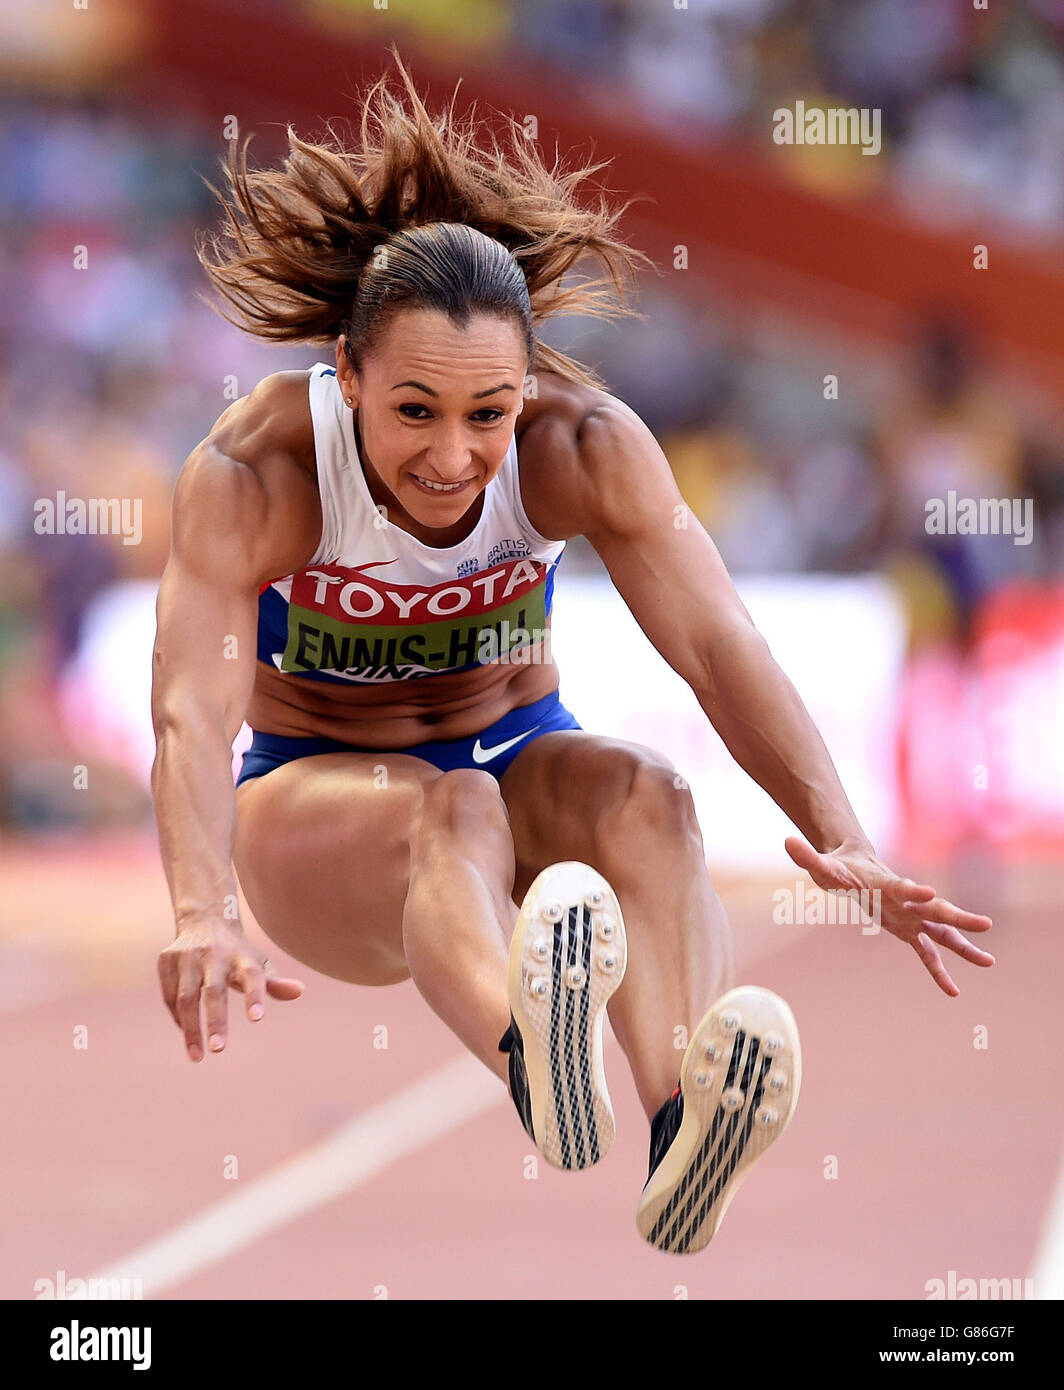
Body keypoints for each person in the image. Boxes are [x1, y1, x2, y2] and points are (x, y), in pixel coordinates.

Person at [150, 51, 994, 1256]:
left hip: (515, 752)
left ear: (527, 384)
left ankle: (674, 1132)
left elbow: (718, 643)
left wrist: (843, 828)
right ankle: (536, 1063)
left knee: (647, 794)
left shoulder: (581, 445)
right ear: (345, 378)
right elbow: (188, 708)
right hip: (315, 809)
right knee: (453, 812)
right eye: (413, 413)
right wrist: (200, 906)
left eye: (486, 413)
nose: (453, 458)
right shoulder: (260, 474)